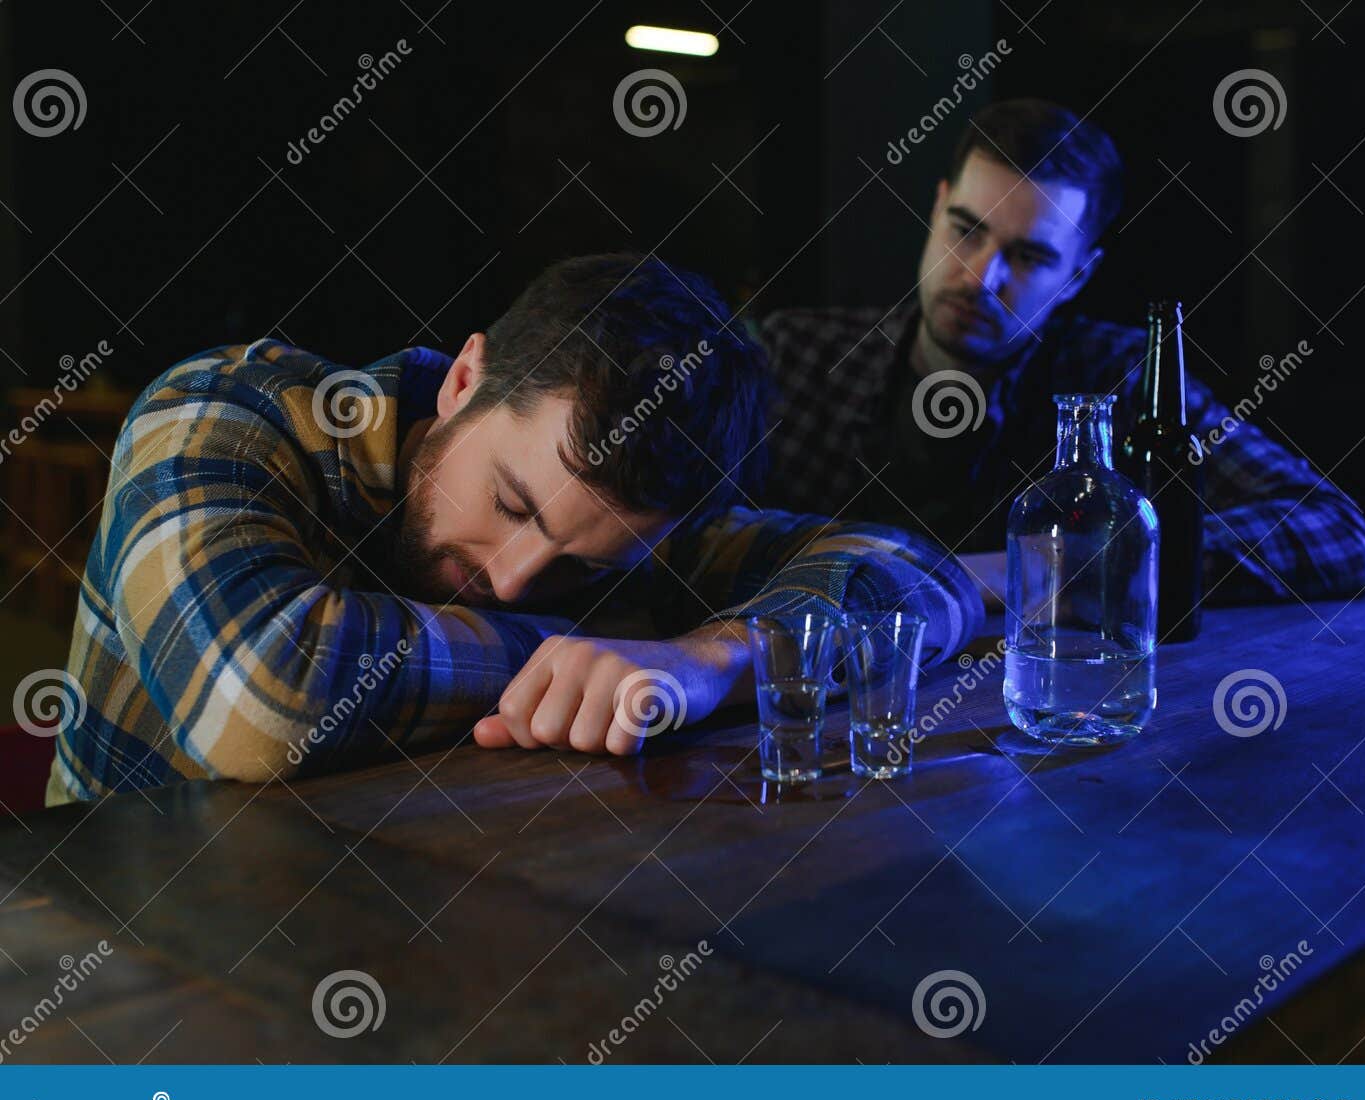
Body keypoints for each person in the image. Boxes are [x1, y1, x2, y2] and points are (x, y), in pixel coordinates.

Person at [47, 253, 983, 804]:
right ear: (464, 380)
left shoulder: (633, 521)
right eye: (509, 503)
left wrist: (710, 660)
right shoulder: (217, 412)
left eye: (582, 564)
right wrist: (598, 645)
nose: (514, 576)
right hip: (124, 995)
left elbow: (921, 575)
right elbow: (258, 702)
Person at [759, 98, 1365, 609]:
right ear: (937, 206)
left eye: (1027, 256)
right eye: (965, 229)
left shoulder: (1124, 379)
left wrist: (1038, 568)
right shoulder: (798, 355)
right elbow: (679, 534)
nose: (979, 277)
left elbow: (1336, 532)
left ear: (1079, 275)